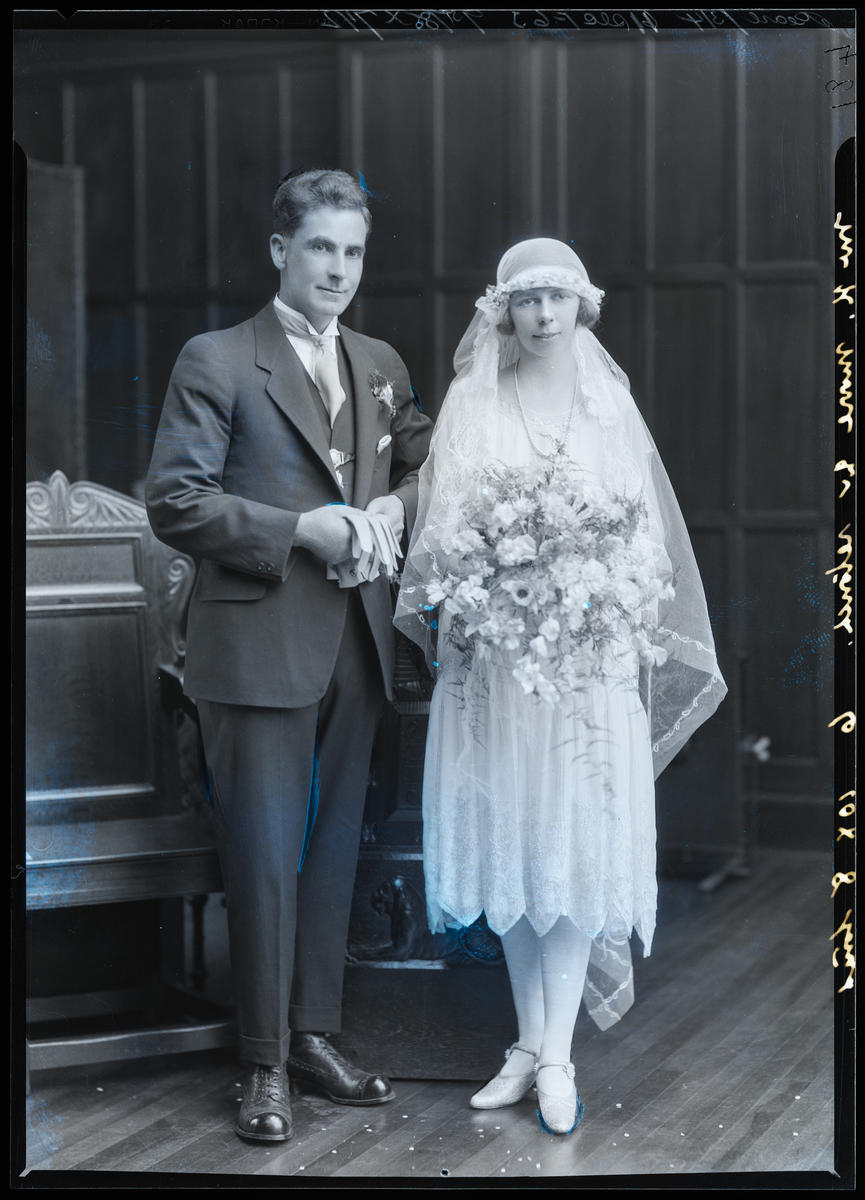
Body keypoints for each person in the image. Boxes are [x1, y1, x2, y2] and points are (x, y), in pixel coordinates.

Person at [395, 239, 727, 1135]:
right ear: (501, 309)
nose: (543, 316)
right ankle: (530, 1043)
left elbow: (642, 539)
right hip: (502, 666)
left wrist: (591, 582)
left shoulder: (607, 403)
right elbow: (449, 530)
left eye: (558, 300)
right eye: (527, 301)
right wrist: (491, 582)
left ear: (583, 306)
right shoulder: (473, 399)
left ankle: (555, 1061)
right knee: (513, 836)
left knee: (574, 842)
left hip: (587, 666)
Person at [146, 168, 433, 1143]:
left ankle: (313, 1035)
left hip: (357, 645)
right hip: (255, 644)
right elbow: (173, 501)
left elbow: (432, 464)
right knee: (263, 857)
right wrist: (300, 530)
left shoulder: (382, 361)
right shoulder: (218, 360)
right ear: (280, 251)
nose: (338, 270)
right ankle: (262, 1064)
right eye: (320, 248)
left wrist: (397, 504)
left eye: (352, 252)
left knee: (328, 854)